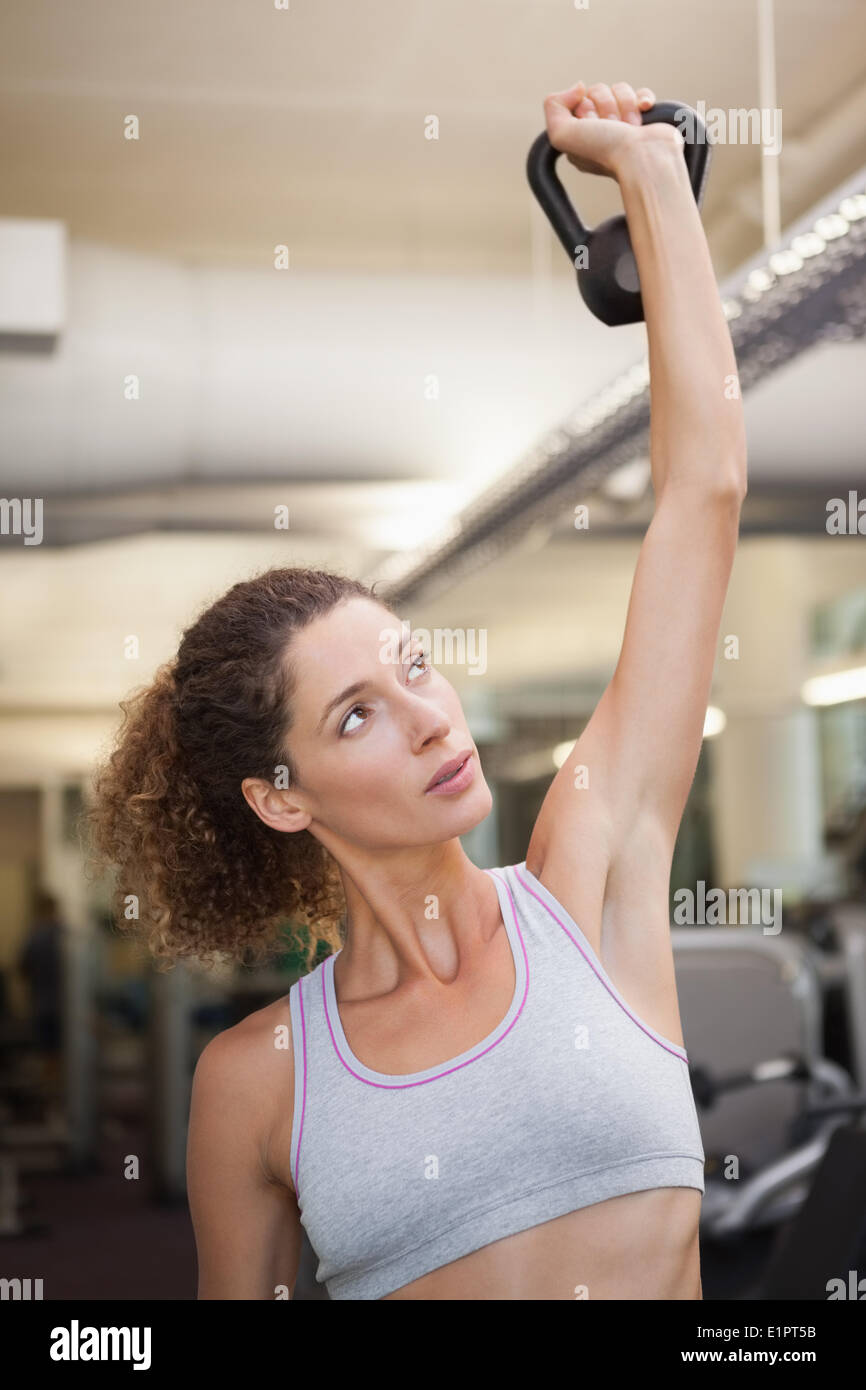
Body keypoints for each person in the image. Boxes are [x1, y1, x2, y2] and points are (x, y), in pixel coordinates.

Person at [86, 78, 747, 1300]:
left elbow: (700, 492)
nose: (429, 717)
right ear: (280, 797)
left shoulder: (585, 885)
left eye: (413, 666)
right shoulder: (262, 1077)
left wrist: (651, 177)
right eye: (356, 717)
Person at [18, 889, 64, 1098]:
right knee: (64, 1053)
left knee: (47, 1054)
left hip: (41, 1004)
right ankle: (63, 1099)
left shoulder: (33, 937)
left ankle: (51, 1096)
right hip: (64, 1005)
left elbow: (23, 970)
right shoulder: (64, 936)